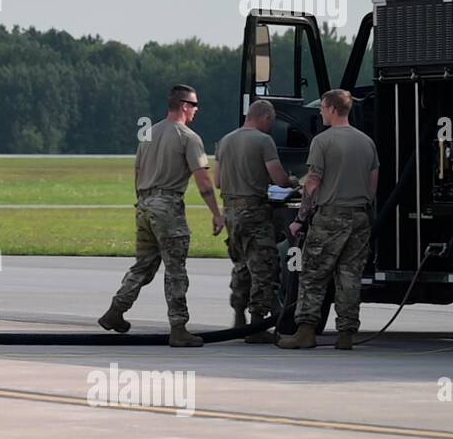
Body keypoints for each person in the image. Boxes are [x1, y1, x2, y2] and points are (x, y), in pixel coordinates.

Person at [99, 85, 225, 347]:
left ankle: (116, 311)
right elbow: (203, 181)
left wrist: (142, 202)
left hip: (144, 205)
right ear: (184, 106)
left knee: (143, 265)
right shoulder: (188, 137)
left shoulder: (149, 133)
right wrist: (217, 213)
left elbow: (137, 171)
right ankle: (179, 328)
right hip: (167, 207)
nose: (197, 110)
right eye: (195, 105)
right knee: (175, 269)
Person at [278, 89, 379, 351]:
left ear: (333, 109)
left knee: (313, 275)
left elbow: (312, 184)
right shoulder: (366, 142)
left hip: (330, 216)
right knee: (349, 277)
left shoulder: (322, 141)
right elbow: (372, 183)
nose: (320, 112)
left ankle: (306, 331)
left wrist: (301, 218)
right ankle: (346, 334)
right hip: (359, 216)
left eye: (322, 107)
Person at [215, 99, 298, 342]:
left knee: (241, 265)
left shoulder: (226, 140)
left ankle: (238, 318)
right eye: (270, 122)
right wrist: (291, 181)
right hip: (254, 212)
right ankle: (257, 325)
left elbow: (217, 181)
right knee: (264, 267)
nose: (271, 127)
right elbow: (279, 179)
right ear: (265, 118)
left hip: (231, 211)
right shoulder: (264, 141)